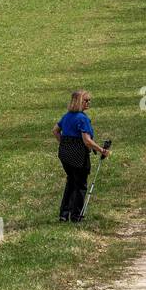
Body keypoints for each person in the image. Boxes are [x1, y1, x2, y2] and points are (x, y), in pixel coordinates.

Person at [53, 90, 109, 223]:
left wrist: (65, 143)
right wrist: (102, 150)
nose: (89, 103)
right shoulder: (82, 118)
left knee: (71, 182)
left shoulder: (66, 116)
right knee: (81, 185)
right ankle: (76, 216)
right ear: (78, 102)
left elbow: (55, 130)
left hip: (64, 154)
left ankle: (63, 214)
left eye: (89, 100)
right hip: (79, 155)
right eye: (86, 100)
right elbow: (87, 141)